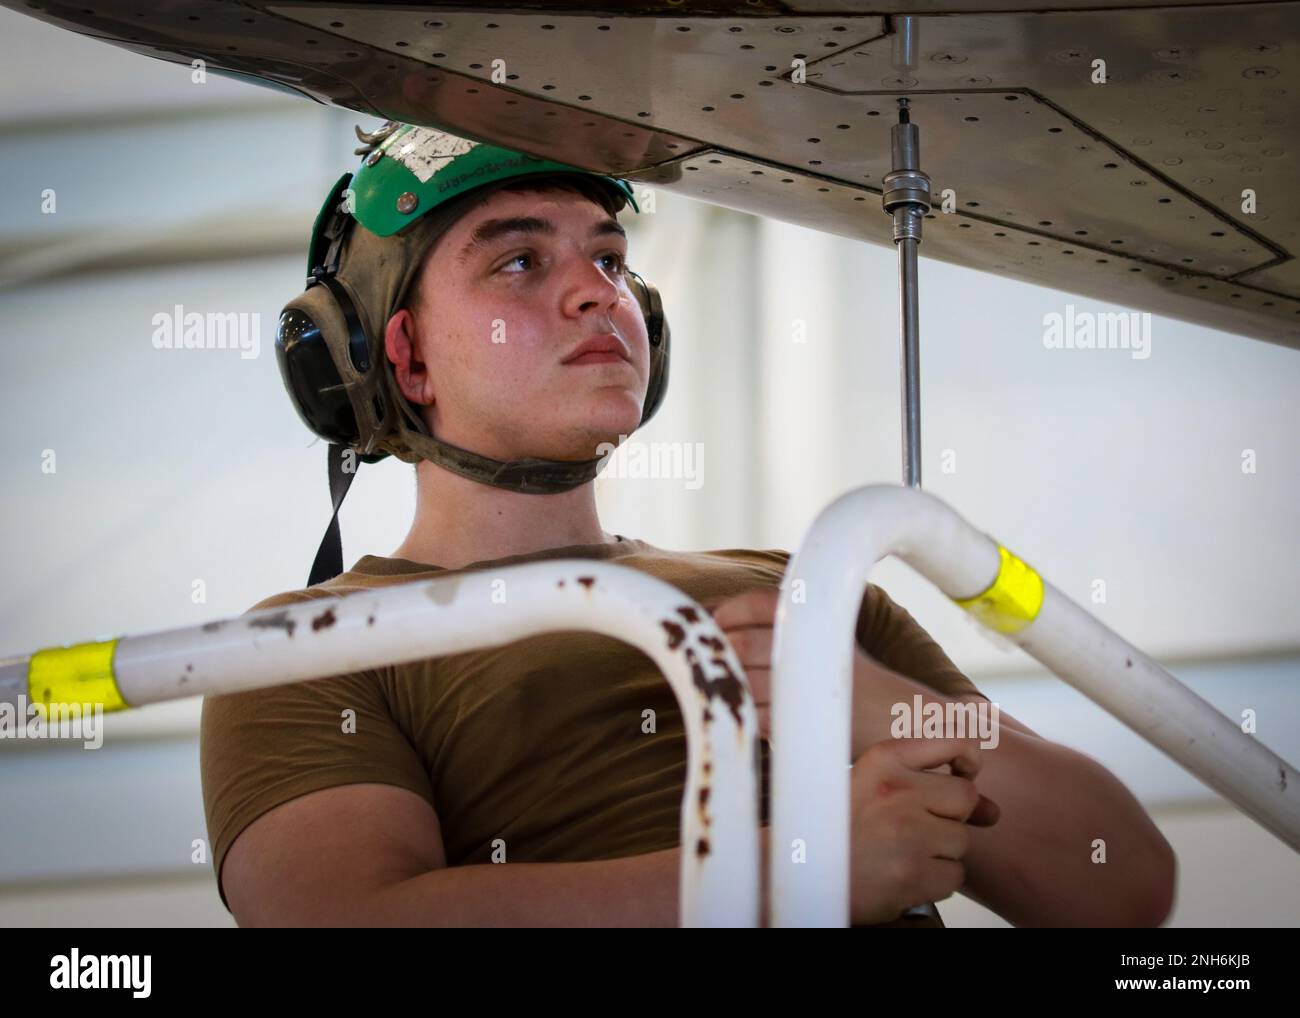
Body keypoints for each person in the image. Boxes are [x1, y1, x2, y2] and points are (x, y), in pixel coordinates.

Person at [200, 123, 1176, 927]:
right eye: (519, 260)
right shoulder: (301, 648)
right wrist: (789, 874)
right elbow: (345, 920)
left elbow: (1119, 887)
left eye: (610, 257)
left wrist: (867, 700)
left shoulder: (807, 589)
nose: (596, 290)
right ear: (401, 357)